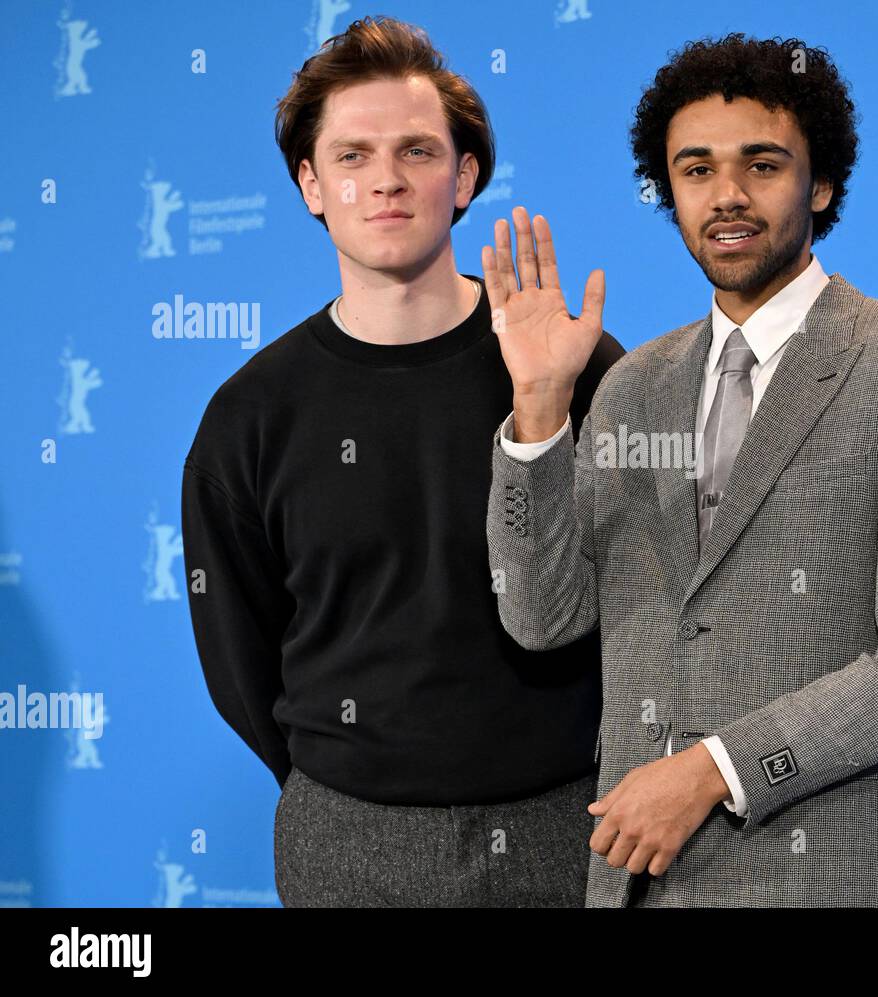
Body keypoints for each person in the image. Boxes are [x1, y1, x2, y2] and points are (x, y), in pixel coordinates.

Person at [484, 33, 878, 906]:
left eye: (762, 164)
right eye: (697, 170)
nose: (728, 197)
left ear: (820, 184)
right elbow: (541, 616)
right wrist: (537, 409)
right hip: (642, 882)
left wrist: (717, 768)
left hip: (830, 878)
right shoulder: (634, 384)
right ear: (667, 190)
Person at [181, 16, 623, 907]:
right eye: (351, 156)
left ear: (464, 178)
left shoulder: (581, 365)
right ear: (311, 184)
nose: (385, 179)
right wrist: (346, 786)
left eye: (418, 151)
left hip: (569, 825)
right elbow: (240, 655)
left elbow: (643, 599)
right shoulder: (249, 416)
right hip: (346, 839)